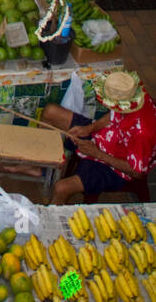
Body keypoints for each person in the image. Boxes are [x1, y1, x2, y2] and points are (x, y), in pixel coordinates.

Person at [41, 70, 156, 204]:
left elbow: (137, 172)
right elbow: (112, 115)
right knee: (51, 111)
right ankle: (38, 168)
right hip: (103, 139)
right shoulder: (134, 97)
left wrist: (97, 154)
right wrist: (88, 129)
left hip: (114, 167)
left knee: (61, 188)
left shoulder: (142, 133)